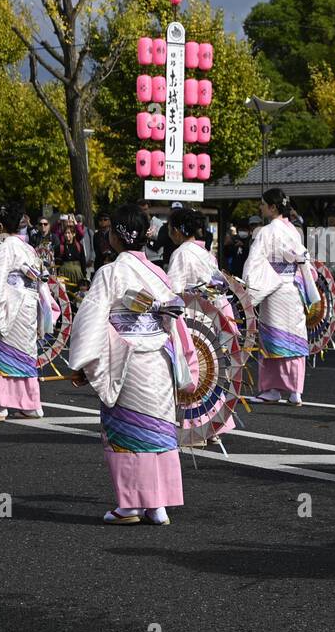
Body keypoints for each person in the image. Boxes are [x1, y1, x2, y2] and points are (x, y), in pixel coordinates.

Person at [69, 205, 199, 525]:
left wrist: (84, 362)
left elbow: (91, 321)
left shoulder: (110, 272)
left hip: (126, 361)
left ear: (115, 236)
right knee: (157, 430)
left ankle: (130, 506)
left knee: (127, 431)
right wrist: (185, 361)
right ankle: (158, 507)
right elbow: (174, 322)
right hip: (159, 359)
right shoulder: (159, 273)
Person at [0, 202, 58, 422]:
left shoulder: (6, 246)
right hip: (28, 304)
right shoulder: (28, 248)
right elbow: (41, 278)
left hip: (11, 303)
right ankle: (31, 405)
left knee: (0, 352)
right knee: (26, 354)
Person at [166, 207, 235, 450]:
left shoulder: (181, 254)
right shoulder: (205, 252)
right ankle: (212, 426)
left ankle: (195, 430)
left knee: (192, 372)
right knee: (210, 373)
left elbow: (173, 290)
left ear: (176, 230)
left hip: (190, 319)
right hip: (210, 317)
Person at [244, 189, 315, 405]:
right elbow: (304, 260)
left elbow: (255, 261)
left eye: (263, 204)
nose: (260, 207)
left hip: (273, 288)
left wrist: (249, 285)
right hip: (293, 288)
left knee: (272, 338)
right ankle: (296, 391)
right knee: (294, 336)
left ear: (273, 207)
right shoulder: (294, 230)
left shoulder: (265, 232)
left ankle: (271, 389)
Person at [54, 221, 88, 289]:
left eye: (69, 233)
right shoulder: (60, 247)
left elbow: (83, 261)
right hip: (64, 274)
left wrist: (84, 275)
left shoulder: (79, 246)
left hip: (77, 274)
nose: (67, 235)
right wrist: (57, 275)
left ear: (74, 234)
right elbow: (56, 262)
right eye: (65, 233)